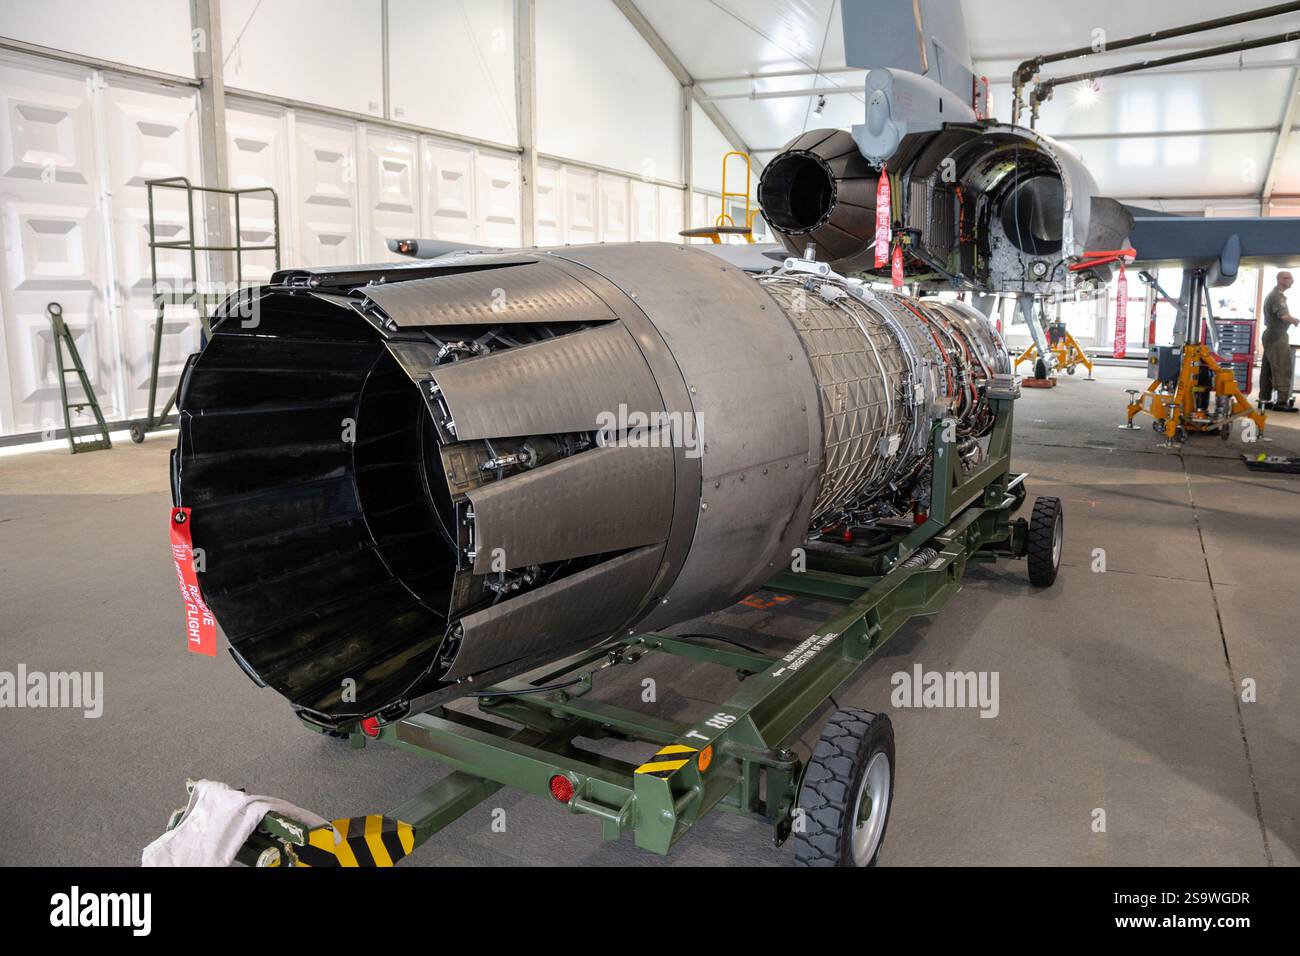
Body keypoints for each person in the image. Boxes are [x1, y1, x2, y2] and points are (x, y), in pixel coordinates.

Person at [1259, 271, 1298, 411]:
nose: (1291, 281)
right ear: (1279, 280)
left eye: (1291, 278)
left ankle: (1264, 399)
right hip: (1277, 335)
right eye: (1288, 278)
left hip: (1270, 334)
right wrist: (1294, 320)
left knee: (1268, 368)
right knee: (1282, 367)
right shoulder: (1277, 297)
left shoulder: (1274, 295)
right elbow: (1283, 316)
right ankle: (1281, 402)